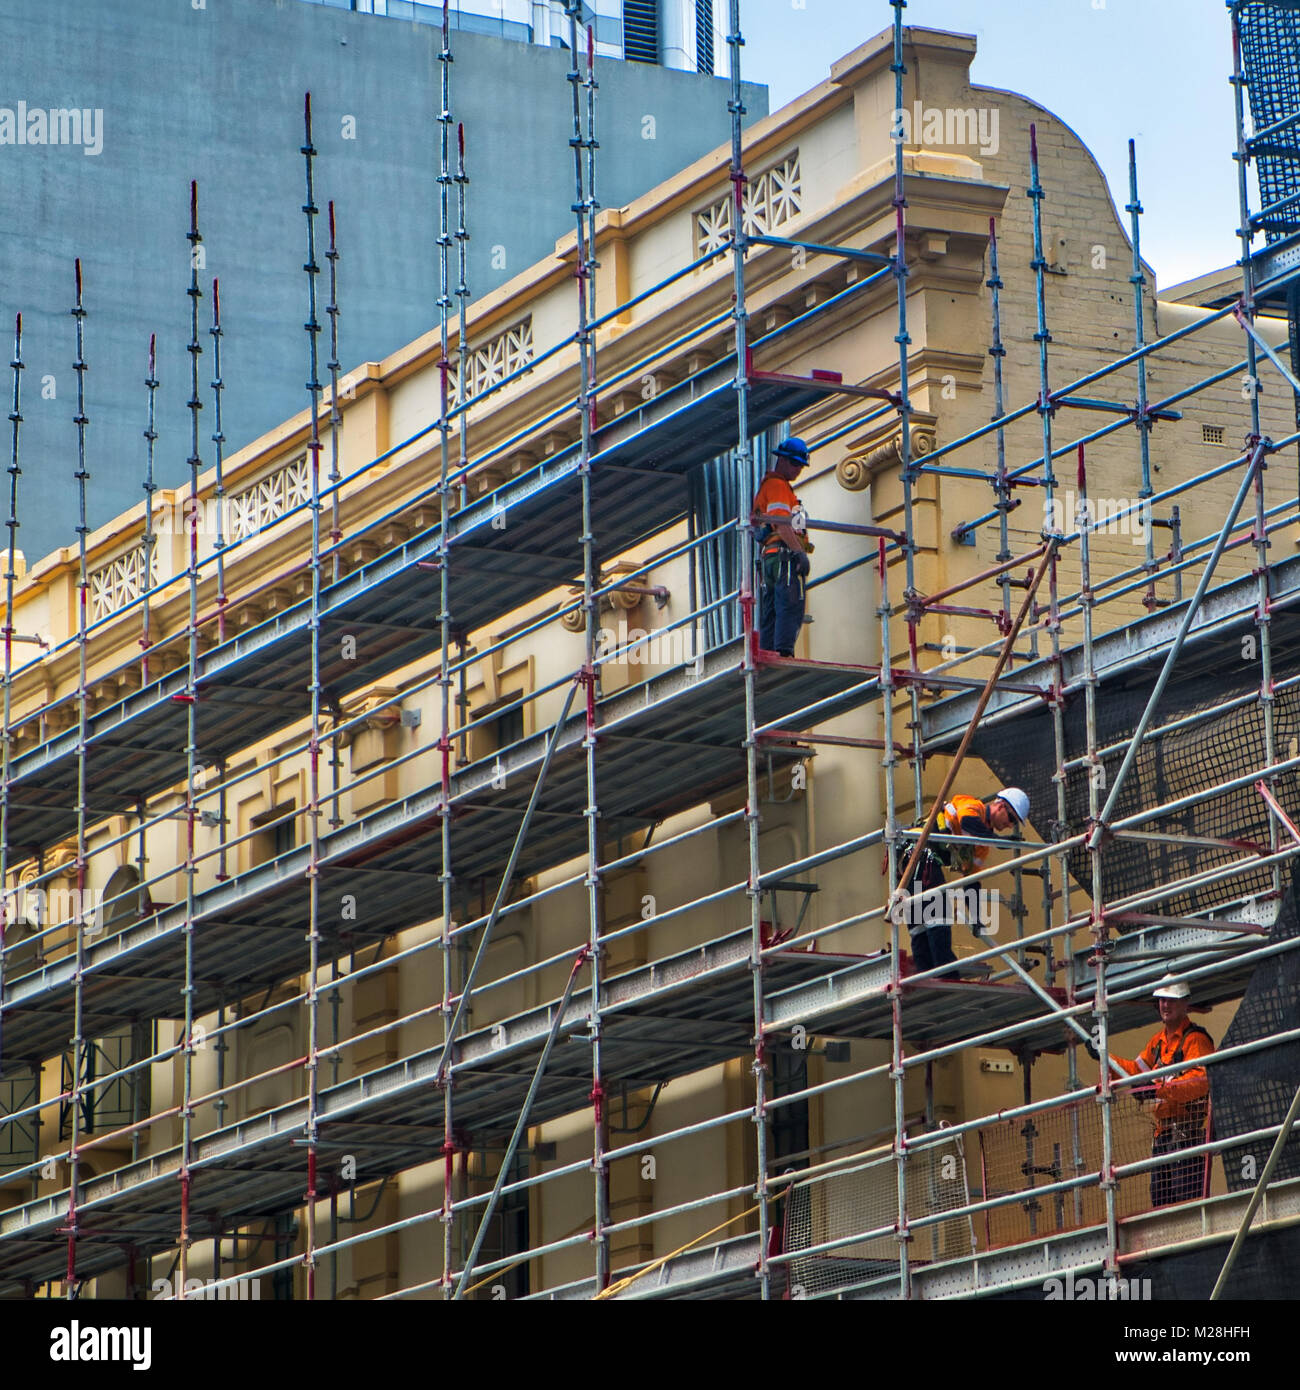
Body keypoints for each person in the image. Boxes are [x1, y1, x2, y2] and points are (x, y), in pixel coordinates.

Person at [1097, 975, 1213, 1209]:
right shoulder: (1158, 1043)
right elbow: (1135, 1071)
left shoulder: (1196, 1040)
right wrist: (1104, 1056)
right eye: (1161, 1000)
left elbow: (1199, 1082)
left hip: (1187, 1137)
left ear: (1184, 1004)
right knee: (1160, 1201)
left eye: (1170, 1000)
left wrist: (1161, 1089)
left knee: (1186, 1204)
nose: (1164, 1005)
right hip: (1163, 1137)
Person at [893, 787, 1029, 976]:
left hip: (914, 861)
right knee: (938, 913)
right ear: (1000, 806)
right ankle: (946, 973)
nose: (1009, 825)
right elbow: (968, 823)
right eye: (1011, 819)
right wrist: (999, 840)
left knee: (920, 925)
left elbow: (971, 881)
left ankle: (926, 973)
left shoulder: (981, 847)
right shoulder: (973, 806)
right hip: (919, 852)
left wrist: (976, 917)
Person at [751, 437, 813, 657]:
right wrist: (799, 552)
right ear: (783, 460)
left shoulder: (770, 487)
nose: (798, 470)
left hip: (770, 556)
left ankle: (769, 654)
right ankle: (784, 653)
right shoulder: (777, 485)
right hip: (783, 555)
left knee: (771, 610)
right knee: (789, 603)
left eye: (800, 466)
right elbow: (782, 524)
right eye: (795, 464)